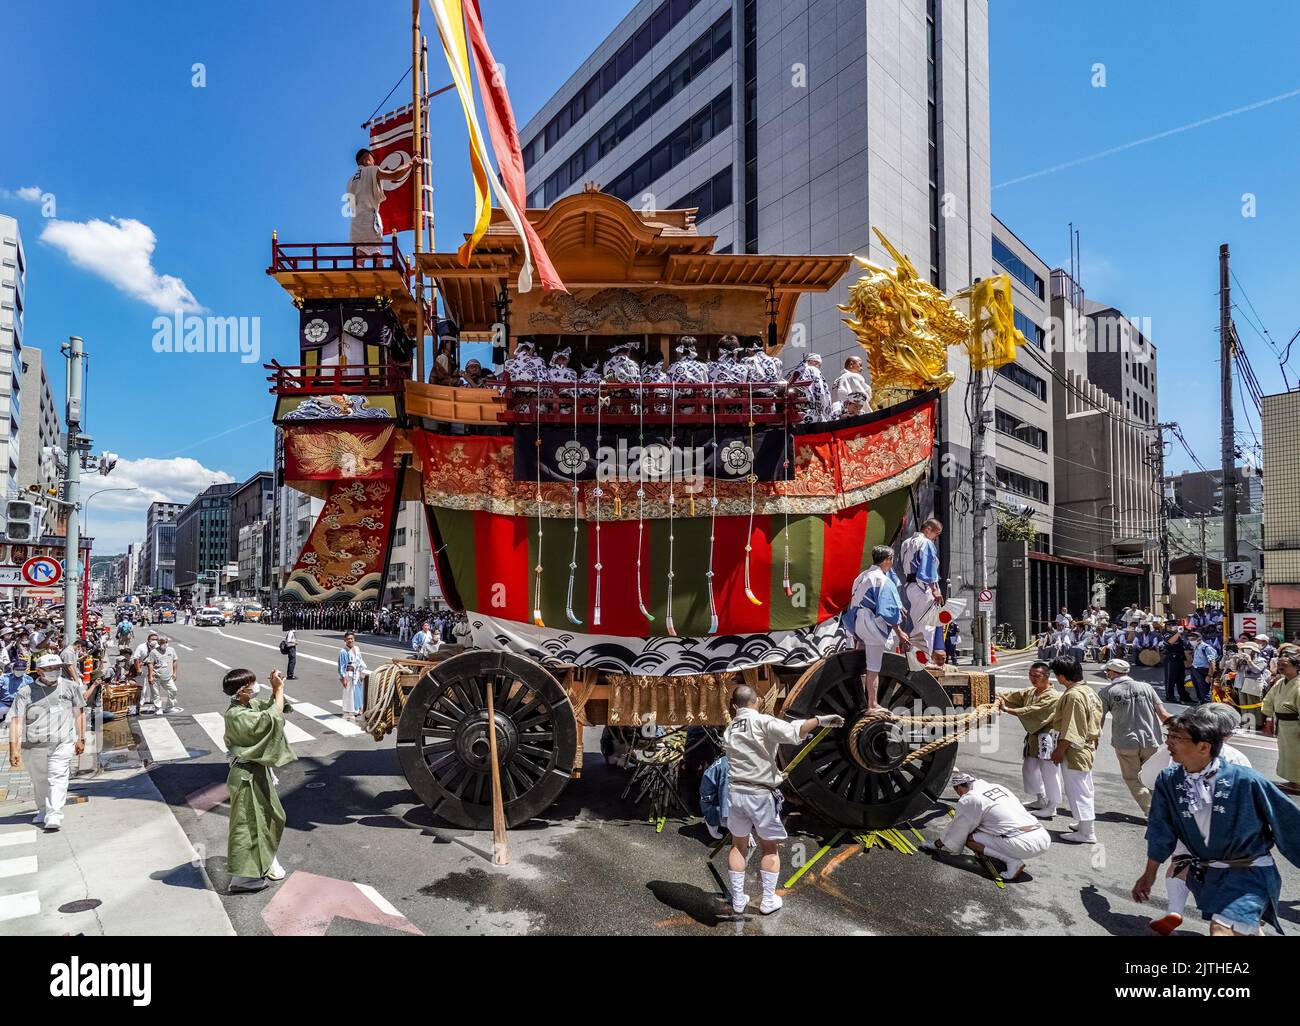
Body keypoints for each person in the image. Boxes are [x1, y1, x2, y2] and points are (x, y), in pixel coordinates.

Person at [1132, 704, 1300, 936]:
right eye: (1168, 736)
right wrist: (1149, 874)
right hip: (1209, 872)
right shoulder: (1169, 779)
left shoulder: (1245, 780)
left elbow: (1289, 821)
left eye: (1177, 738)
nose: (1169, 742)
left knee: (1221, 930)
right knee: (1242, 930)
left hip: (1249, 873)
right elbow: (1161, 828)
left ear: (1204, 746)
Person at [722, 683, 844, 914]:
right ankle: (768, 900)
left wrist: (774, 773)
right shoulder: (762, 721)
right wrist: (821, 720)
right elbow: (795, 731)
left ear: (735, 705)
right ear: (756, 701)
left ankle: (738, 900)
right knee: (769, 847)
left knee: (738, 845)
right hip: (760, 794)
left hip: (736, 793)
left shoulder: (730, 729)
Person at [222, 667, 295, 893]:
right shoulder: (235, 715)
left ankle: (266, 860)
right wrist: (278, 689)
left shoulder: (248, 705)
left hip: (257, 772)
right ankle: (244, 878)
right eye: (251, 684)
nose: (255, 687)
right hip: (245, 776)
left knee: (272, 816)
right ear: (241, 691)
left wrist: (277, 689)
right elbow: (271, 718)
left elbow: (273, 708)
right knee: (248, 825)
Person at [7, 653, 87, 832]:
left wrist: (81, 738)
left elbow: (79, 713)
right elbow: (16, 721)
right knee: (40, 780)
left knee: (57, 776)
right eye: (50, 669)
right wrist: (14, 749)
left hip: (62, 742)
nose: (55, 672)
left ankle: (55, 813)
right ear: (39, 671)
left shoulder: (71, 687)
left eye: (57, 668)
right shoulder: (25, 692)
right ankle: (43, 810)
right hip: (33, 745)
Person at [926, 770, 1051, 880]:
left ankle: (1012, 861)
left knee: (969, 838)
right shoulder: (998, 787)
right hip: (1042, 836)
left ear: (958, 788)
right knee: (985, 827)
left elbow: (957, 829)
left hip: (1023, 844)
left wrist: (936, 844)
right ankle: (1006, 852)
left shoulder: (971, 798)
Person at [1097, 658, 1170, 815]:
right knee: (1153, 777)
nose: (1107, 674)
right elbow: (1163, 715)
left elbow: (1099, 719)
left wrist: (1094, 739)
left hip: (1125, 742)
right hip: (1151, 739)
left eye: (1107, 671)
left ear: (1112, 673)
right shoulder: (1147, 687)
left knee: (1133, 779)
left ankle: (1153, 813)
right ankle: (1164, 811)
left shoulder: (1106, 692)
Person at [846, 545, 910, 712]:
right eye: (892, 560)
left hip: (857, 622)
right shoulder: (882, 579)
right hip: (871, 625)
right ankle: (872, 703)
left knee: (861, 660)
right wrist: (899, 632)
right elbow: (887, 611)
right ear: (888, 560)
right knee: (873, 666)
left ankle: (859, 697)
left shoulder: (862, 576)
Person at [1047, 656, 1104, 843]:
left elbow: (1072, 729)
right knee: (1084, 787)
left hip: (1075, 748)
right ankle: (1084, 825)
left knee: (1078, 789)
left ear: (1062, 677)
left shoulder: (1073, 695)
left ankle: (1087, 832)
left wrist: (1059, 750)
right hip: (1087, 745)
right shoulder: (1088, 690)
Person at [996, 661, 1063, 819]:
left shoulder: (1053, 696)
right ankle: (1040, 799)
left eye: (1037, 676)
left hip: (1047, 737)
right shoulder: (1031, 692)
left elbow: (1032, 711)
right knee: (1030, 768)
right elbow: (1012, 696)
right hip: (1033, 737)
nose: (1033, 678)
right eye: (1031, 675)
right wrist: (996, 696)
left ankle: (1052, 806)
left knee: (1049, 772)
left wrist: (1007, 709)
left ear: (1046, 676)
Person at [345, 147, 412, 262]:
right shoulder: (371, 170)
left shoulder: (350, 181)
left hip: (355, 225)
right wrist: (410, 163)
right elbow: (394, 175)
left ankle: (358, 278)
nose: (374, 163)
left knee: (359, 258)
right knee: (378, 257)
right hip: (370, 221)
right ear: (366, 160)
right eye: (372, 160)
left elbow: (351, 205)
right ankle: (378, 280)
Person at [899, 518, 944, 660]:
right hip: (922, 587)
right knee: (926, 625)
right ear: (928, 530)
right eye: (936, 534)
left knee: (911, 625)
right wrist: (934, 589)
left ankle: (911, 658)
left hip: (908, 587)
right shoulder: (926, 543)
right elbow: (927, 568)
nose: (936, 538)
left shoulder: (906, 543)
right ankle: (924, 660)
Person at [1262, 649, 1300, 794]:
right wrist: (1269, 718)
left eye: (1285, 664)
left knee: (1297, 754)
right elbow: (1269, 700)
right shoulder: (1279, 682)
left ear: (1296, 666)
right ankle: (1293, 780)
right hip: (1283, 725)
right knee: (1287, 754)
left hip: (1295, 726)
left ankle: (1298, 783)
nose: (1281, 667)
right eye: (1279, 664)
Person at [786, 352, 833, 423]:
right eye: (819, 365)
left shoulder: (793, 372)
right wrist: (824, 411)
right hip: (810, 411)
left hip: (791, 411)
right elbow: (821, 392)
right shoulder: (813, 370)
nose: (819, 367)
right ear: (812, 361)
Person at [145, 635, 182, 714]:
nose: (164, 644)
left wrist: (175, 673)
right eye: (162, 643)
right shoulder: (154, 652)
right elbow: (150, 664)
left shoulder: (171, 650)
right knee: (156, 694)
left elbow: (174, 661)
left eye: (165, 642)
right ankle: (158, 708)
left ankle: (169, 707)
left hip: (168, 677)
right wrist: (150, 676)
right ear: (158, 643)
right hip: (156, 676)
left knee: (173, 690)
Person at [337, 632, 368, 720]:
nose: (350, 640)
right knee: (349, 693)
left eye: (351, 638)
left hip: (357, 673)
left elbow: (360, 660)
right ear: (345, 640)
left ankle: (357, 709)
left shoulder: (357, 648)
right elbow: (341, 666)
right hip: (348, 675)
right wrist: (343, 678)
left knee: (357, 691)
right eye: (348, 639)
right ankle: (349, 711)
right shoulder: (343, 652)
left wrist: (362, 671)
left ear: (354, 639)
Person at [1160, 627, 1191, 705]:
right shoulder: (1167, 634)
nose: (1174, 626)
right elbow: (1171, 641)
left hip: (1179, 659)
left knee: (1181, 679)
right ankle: (1170, 696)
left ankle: (1184, 696)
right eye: (1172, 625)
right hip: (1171, 659)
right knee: (1170, 679)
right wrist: (1178, 633)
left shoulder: (1178, 635)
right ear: (1168, 626)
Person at [1188, 631, 1216, 705]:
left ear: (1199, 639)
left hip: (1203, 671)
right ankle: (1201, 703)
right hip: (1195, 669)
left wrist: (1209, 675)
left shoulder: (1206, 648)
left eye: (1193, 639)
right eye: (1189, 639)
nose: (1191, 641)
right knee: (1197, 688)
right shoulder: (1196, 646)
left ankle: (1207, 707)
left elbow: (1212, 662)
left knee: (1205, 691)